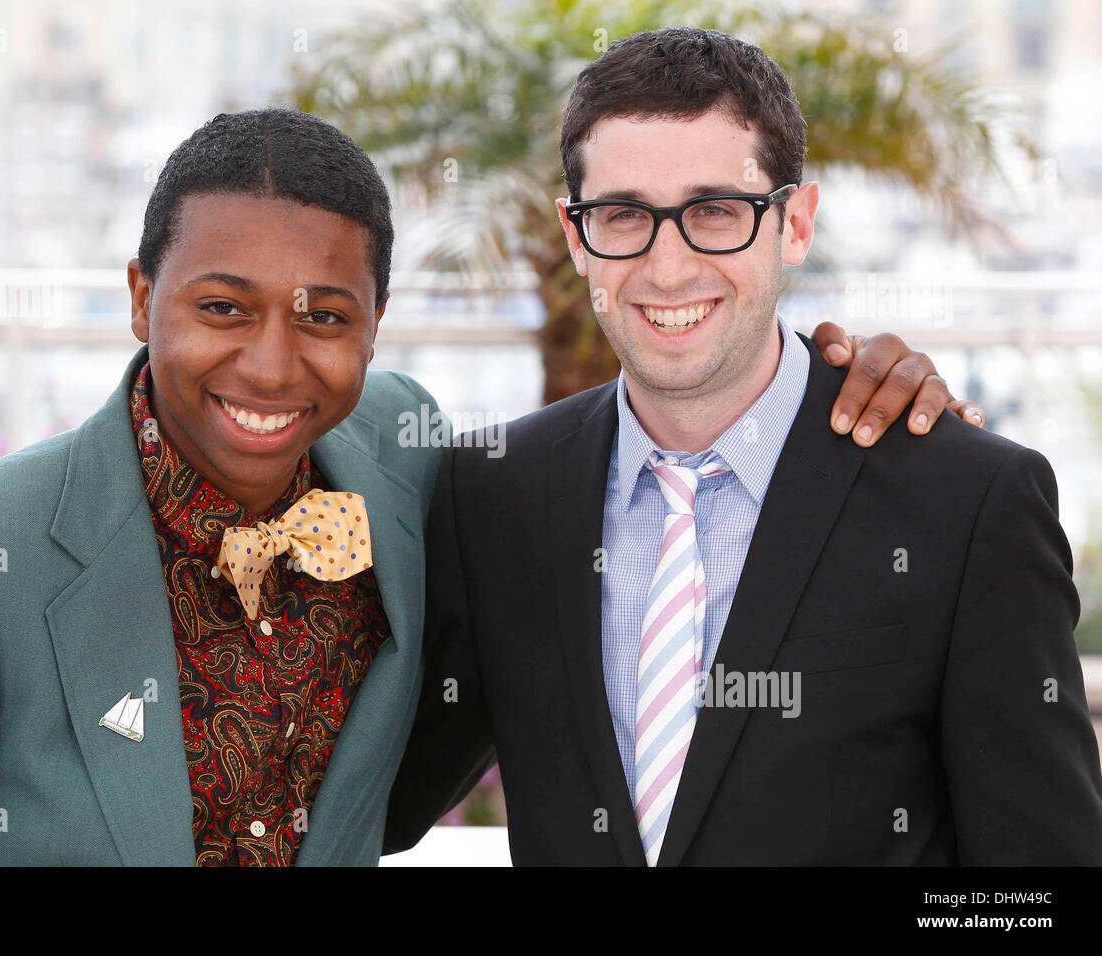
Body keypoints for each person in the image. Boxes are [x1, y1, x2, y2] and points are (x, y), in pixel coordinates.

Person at [0, 108, 970, 866]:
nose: (271, 361)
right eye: (220, 307)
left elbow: (627, 447)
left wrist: (843, 396)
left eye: (324, 317)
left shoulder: (409, 452)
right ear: (137, 295)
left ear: (374, 330)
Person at [383, 28, 1102, 866]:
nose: (667, 266)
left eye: (715, 211)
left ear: (794, 224)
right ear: (576, 237)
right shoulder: (491, 493)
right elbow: (385, 800)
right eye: (623, 216)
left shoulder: (968, 499)